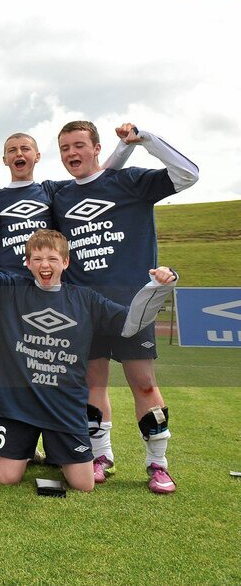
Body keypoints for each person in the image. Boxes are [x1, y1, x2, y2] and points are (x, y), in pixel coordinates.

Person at [0, 215, 178, 492]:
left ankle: (69, 455)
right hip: (18, 408)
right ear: (27, 263)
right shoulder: (11, 289)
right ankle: (32, 452)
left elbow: (129, 325)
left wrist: (158, 288)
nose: (45, 265)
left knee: (83, 484)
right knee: (7, 477)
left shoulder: (85, 299)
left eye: (52, 259)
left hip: (64, 408)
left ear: (65, 262)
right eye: (37, 259)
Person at [51, 121, 198, 492]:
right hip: (86, 309)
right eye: (65, 147)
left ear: (97, 148)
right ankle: (101, 456)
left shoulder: (129, 182)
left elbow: (188, 174)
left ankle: (158, 464)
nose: (72, 153)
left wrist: (144, 140)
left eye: (80, 145)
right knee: (91, 384)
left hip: (134, 306)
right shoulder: (59, 195)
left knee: (144, 385)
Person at [0, 132, 132, 278]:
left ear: (37, 156)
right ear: (4, 160)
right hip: (10, 284)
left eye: (25, 149)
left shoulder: (50, 190)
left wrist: (124, 146)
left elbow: (98, 176)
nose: (19, 154)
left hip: (47, 280)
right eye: (12, 150)